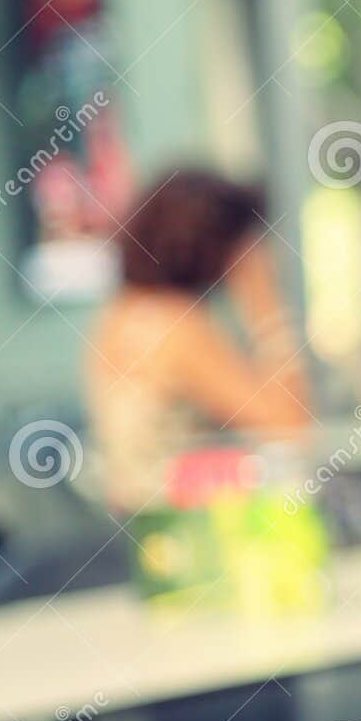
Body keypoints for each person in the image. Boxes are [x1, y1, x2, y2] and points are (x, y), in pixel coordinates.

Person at [85, 170, 309, 512]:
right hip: (187, 522)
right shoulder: (172, 326)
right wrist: (265, 303)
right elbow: (292, 426)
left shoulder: (123, 311)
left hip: (145, 520)